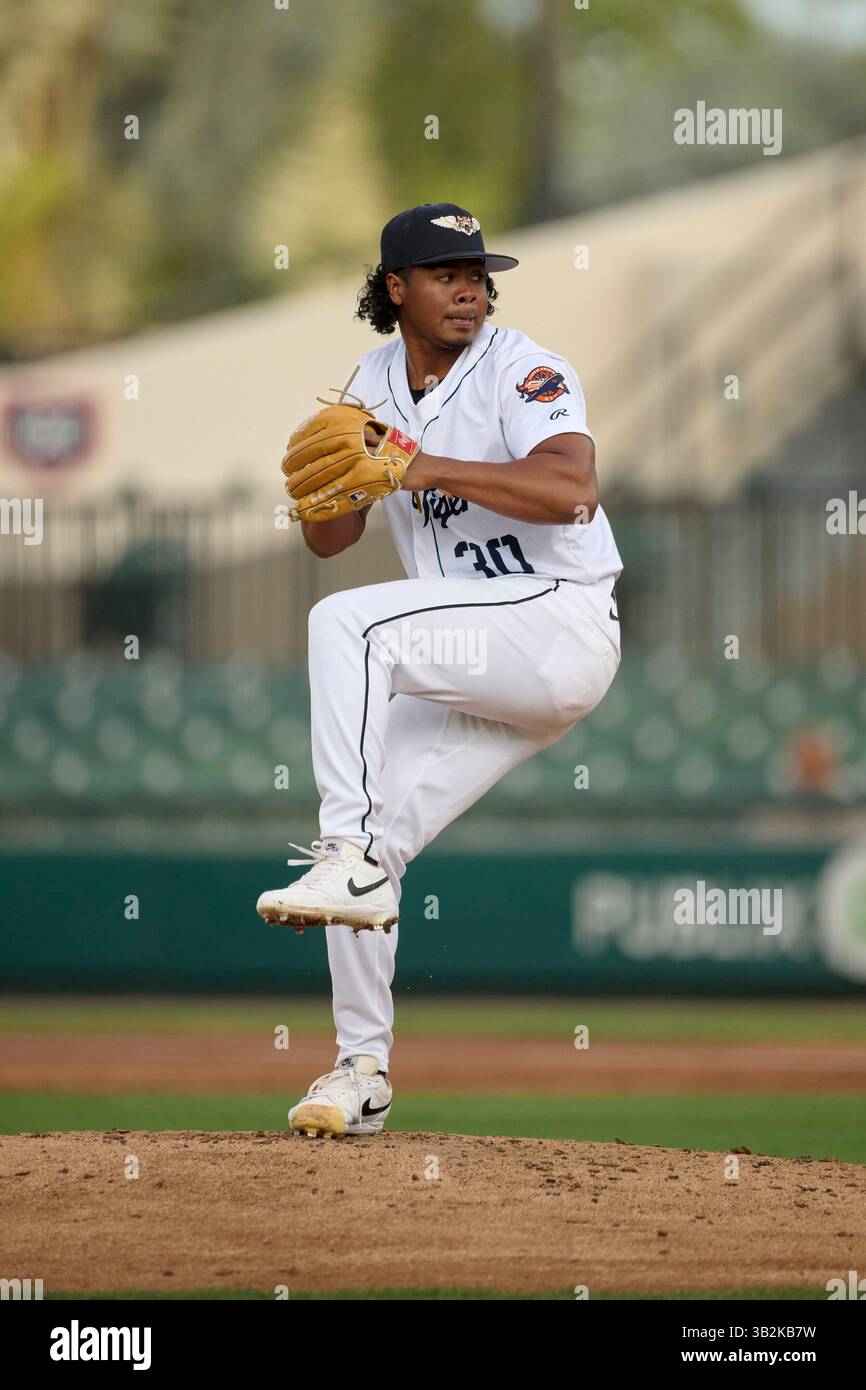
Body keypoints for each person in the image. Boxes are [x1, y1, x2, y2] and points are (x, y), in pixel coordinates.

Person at [256, 202, 622, 1138]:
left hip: (556, 621)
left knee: (349, 630)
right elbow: (331, 541)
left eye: (478, 272)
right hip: (473, 659)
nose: (470, 288)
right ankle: (360, 1072)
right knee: (376, 841)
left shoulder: (524, 367)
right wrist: (332, 480)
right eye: (446, 272)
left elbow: (572, 491)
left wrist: (417, 467)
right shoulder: (371, 382)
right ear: (395, 288)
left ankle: (344, 858)